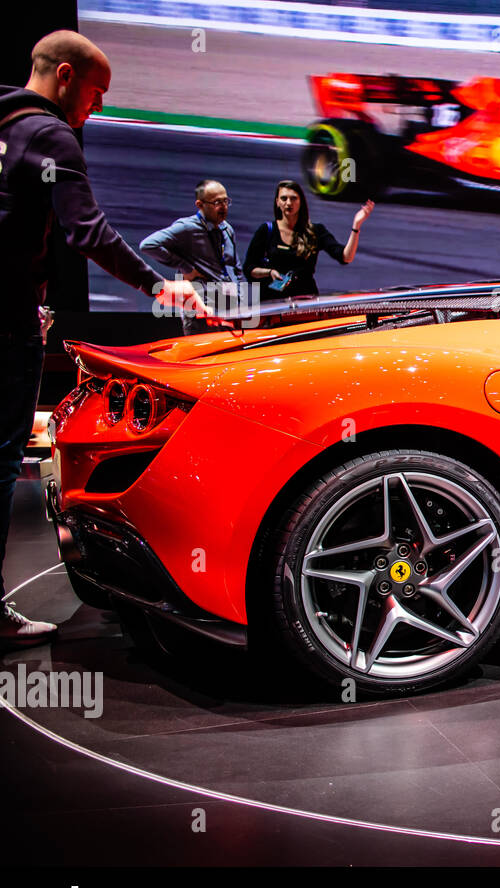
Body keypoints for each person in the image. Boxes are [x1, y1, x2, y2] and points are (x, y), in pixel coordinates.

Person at [0, 31, 206, 645]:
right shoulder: (53, 135)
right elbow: (86, 232)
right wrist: (158, 287)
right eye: (96, 94)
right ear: (66, 76)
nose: (97, 109)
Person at [140, 179, 244, 333]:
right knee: (205, 355)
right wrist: (186, 267)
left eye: (225, 201)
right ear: (200, 205)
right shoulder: (187, 227)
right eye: (217, 202)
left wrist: (242, 298)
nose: (223, 207)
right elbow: (148, 245)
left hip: (230, 307)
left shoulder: (227, 229)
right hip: (202, 308)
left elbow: (235, 267)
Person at [243, 180, 373, 301]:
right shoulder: (266, 230)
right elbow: (249, 268)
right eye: (284, 198)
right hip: (273, 303)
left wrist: (356, 226)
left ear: (301, 202)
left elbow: (346, 257)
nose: (289, 203)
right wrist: (269, 272)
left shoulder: (315, 231)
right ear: (277, 202)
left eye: (293, 198)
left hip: (305, 302)